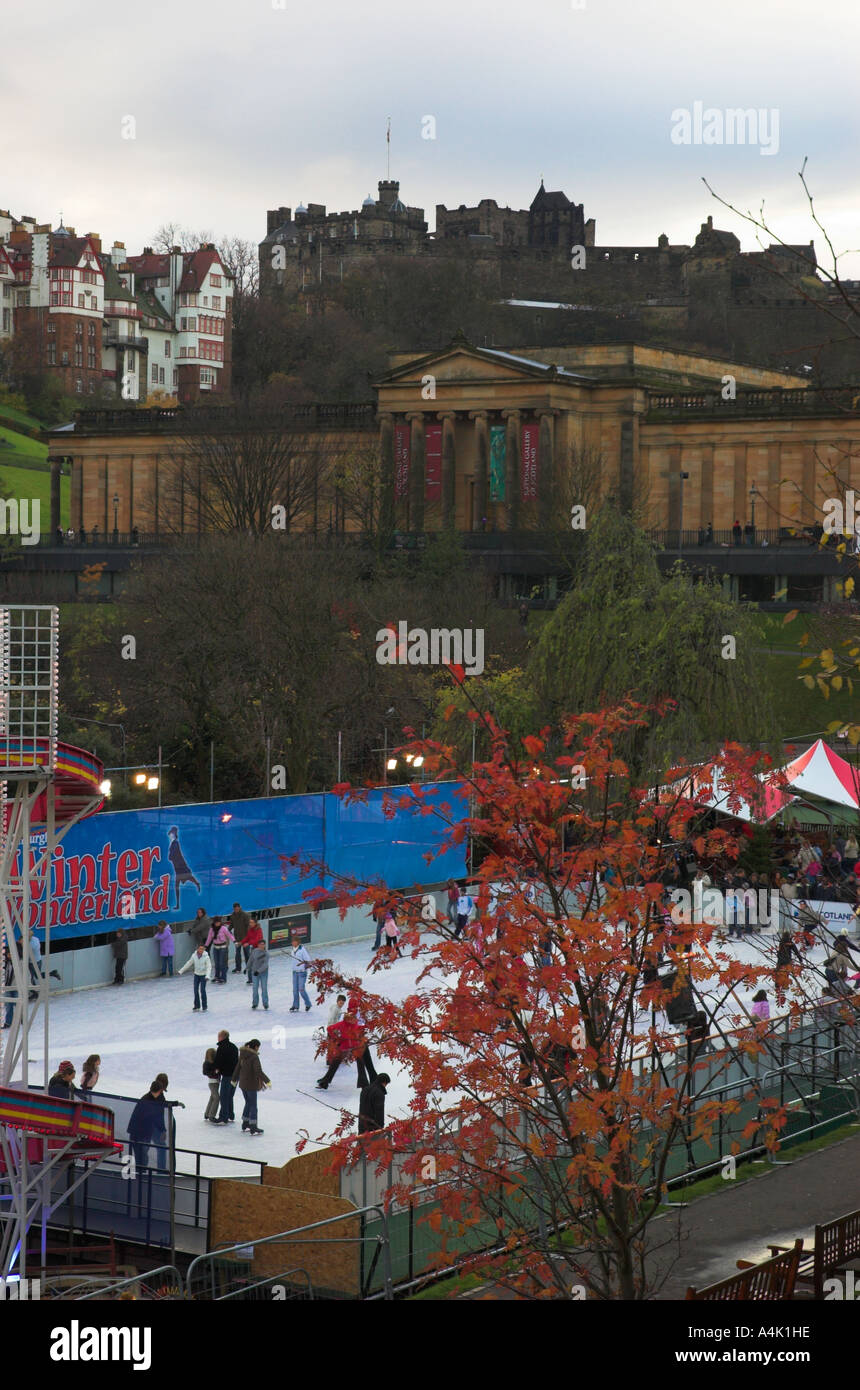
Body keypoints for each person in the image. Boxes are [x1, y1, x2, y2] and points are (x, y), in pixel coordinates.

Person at [231, 1038, 270, 1135]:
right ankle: (253, 1126)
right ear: (256, 1047)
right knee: (253, 1105)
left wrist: (234, 1079)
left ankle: (245, 1123)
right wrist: (267, 1080)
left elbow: (237, 1067)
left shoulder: (243, 1054)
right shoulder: (254, 1057)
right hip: (251, 1084)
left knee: (248, 1102)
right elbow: (258, 1071)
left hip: (243, 1084)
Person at [127, 1082, 165, 1170]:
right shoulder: (147, 1100)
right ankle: (141, 1176)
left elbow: (159, 1116)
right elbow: (157, 1116)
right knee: (142, 1157)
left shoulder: (155, 1099)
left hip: (143, 1133)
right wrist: (162, 1129)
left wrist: (162, 1129)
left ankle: (141, 1175)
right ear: (159, 1091)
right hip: (139, 1133)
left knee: (142, 1157)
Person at [167, 825, 201, 907]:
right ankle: (178, 904)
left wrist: (171, 857)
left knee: (187, 878)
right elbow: (171, 856)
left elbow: (173, 855)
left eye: (172, 833)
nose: (170, 835)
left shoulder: (175, 843)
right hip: (177, 867)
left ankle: (197, 884)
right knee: (178, 884)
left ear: (174, 834)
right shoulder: (173, 843)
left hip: (181, 866)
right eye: (170, 833)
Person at [178, 942, 214, 1011]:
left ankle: (204, 1006)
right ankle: (197, 1006)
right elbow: (189, 963)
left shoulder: (206, 957)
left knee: (202, 990)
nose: (201, 950)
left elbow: (209, 967)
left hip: (203, 976)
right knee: (195, 990)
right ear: (197, 949)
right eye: (200, 949)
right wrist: (181, 970)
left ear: (204, 950)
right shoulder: (194, 955)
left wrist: (207, 976)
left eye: (202, 949)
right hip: (196, 975)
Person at [214, 1030, 239, 1123]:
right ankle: (230, 1114)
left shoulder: (221, 1047)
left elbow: (218, 1061)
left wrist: (216, 1069)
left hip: (227, 1075)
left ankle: (223, 1116)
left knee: (224, 1096)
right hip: (236, 1075)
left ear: (222, 1037)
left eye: (218, 1036)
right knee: (230, 1096)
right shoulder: (234, 1047)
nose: (218, 1038)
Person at [206, 916, 234, 984]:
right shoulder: (212, 929)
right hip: (216, 947)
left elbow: (229, 935)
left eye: (218, 922)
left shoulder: (223, 928)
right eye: (216, 922)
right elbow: (209, 938)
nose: (217, 923)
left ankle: (223, 978)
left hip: (223, 947)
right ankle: (217, 977)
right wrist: (206, 945)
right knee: (217, 963)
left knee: (222, 963)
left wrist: (234, 941)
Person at [289, 931, 312, 1012]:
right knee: (295, 990)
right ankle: (295, 1005)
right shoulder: (292, 950)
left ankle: (308, 1003)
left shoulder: (302, 950)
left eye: (294, 941)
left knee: (301, 989)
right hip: (294, 972)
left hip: (302, 972)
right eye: (292, 941)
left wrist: (302, 963)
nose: (292, 943)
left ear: (298, 942)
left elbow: (308, 960)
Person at [249, 936, 270, 1010]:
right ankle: (255, 1003)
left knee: (264, 988)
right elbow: (251, 960)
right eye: (260, 944)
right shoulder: (254, 951)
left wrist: (258, 971)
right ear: (258, 945)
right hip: (254, 972)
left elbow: (265, 965)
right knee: (255, 988)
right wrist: (247, 968)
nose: (262, 945)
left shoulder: (266, 954)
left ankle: (265, 1004)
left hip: (263, 973)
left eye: (263, 944)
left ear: (265, 945)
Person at [230, 902, 251, 973]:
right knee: (237, 954)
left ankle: (248, 967)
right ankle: (238, 968)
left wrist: (248, 937)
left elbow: (249, 926)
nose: (236, 910)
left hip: (245, 938)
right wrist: (227, 930)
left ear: (239, 907)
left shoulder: (245, 915)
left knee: (247, 954)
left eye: (237, 908)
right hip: (237, 938)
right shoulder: (232, 915)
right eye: (235, 909)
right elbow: (231, 924)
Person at [244, 918, 264, 984]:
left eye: (252, 922)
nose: (250, 924)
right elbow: (247, 937)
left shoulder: (259, 930)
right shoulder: (250, 929)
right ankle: (251, 979)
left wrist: (248, 943)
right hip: (253, 949)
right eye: (250, 922)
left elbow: (257, 940)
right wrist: (241, 942)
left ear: (255, 923)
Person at [203, 1048, 221, 1121]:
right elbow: (205, 1072)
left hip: (216, 1082)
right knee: (216, 1098)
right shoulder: (207, 1063)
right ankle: (211, 1115)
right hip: (212, 1082)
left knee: (212, 1097)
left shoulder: (215, 1062)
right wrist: (214, 1072)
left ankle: (207, 1114)